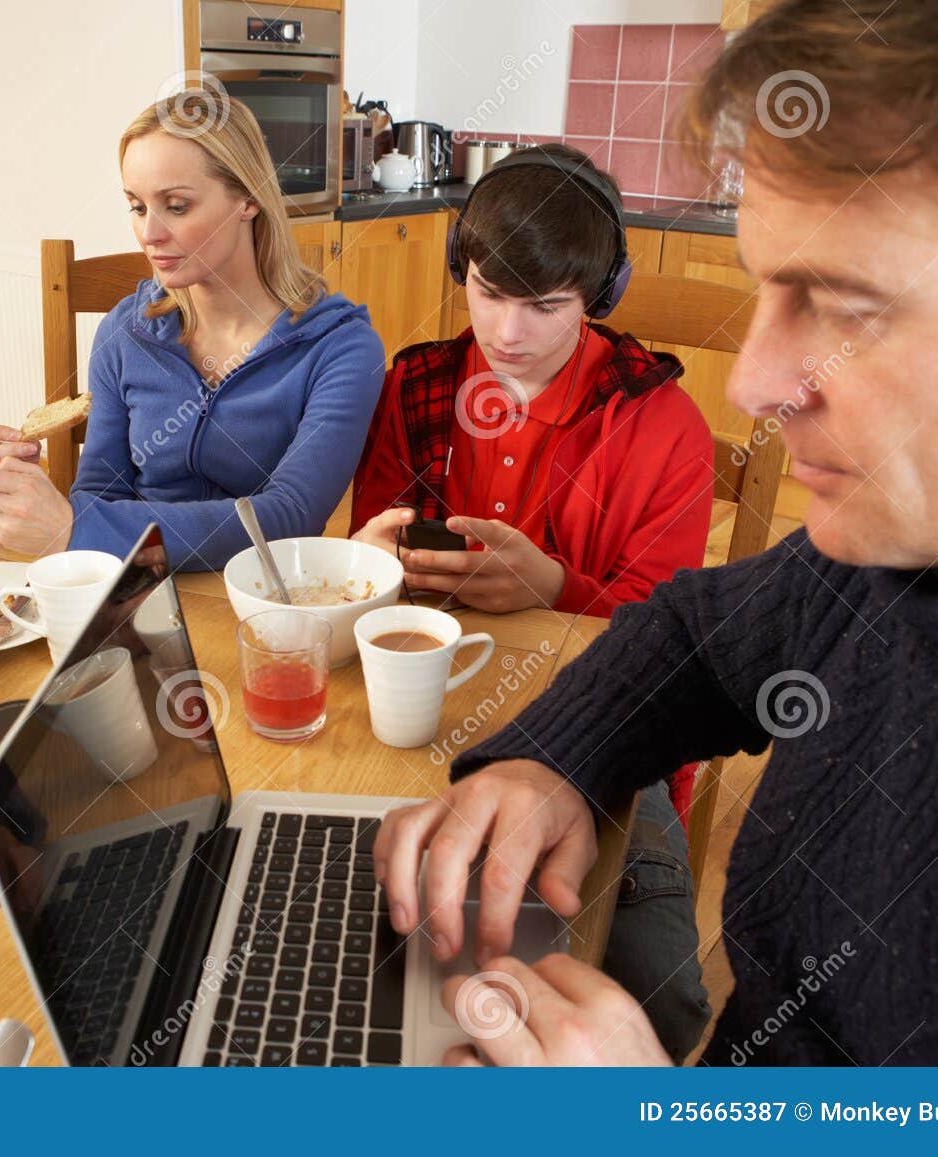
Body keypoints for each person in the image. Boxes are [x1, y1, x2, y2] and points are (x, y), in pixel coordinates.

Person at [376, 0, 938, 1065]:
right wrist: (550, 756)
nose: (756, 383)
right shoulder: (910, 549)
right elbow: (696, 631)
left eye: (847, 308)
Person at [349, 144, 714, 1060]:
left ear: (598, 293)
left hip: (611, 732)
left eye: (544, 305)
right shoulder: (416, 386)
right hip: (433, 693)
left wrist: (555, 588)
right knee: (361, 955)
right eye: (485, 292)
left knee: (660, 1000)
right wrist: (364, 564)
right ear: (458, 272)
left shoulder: (663, 424)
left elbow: (665, 648)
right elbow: (379, 561)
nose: (506, 331)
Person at [0, 92, 386, 570]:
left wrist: (77, 527)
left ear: (249, 198)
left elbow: (289, 518)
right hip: (129, 584)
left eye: (176, 206)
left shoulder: (341, 347)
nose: (149, 234)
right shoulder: (124, 332)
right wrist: (36, 499)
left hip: (259, 595)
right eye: (137, 207)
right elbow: (102, 489)